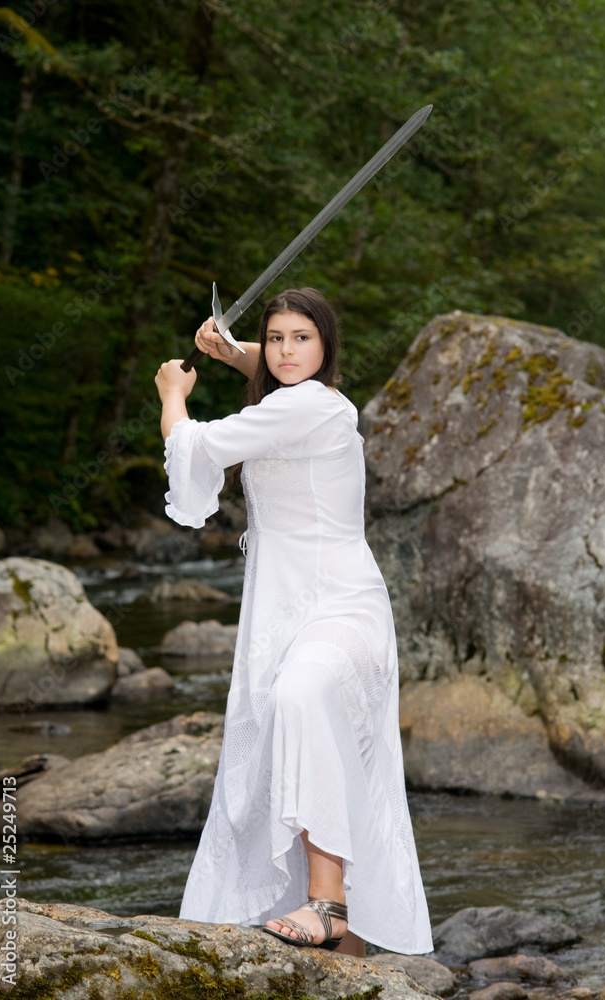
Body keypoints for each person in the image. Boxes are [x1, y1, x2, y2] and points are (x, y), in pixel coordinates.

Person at [155, 287, 433, 958]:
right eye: (275, 337)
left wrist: (171, 393)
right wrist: (230, 351)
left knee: (299, 699)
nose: (283, 350)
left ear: (325, 346)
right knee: (313, 742)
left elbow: (195, 446)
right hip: (286, 612)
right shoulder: (318, 399)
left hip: (339, 607)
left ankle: (328, 904)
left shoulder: (308, 406)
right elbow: (278, 368)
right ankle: (349, 946)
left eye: (300, 338)